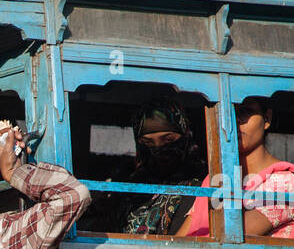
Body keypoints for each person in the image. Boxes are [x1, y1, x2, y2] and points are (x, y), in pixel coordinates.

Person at [175, 96, 294, 239]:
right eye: (227, 114)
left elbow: (227, 237)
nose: (235, 121)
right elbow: (179, 242)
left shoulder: (285, 183)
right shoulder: (216, 179)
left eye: (245, 111)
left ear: (267, 119)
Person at [78, 98, 205, 235]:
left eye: (168, 140)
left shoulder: (199, 188)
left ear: (185, 138)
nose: (158, 149)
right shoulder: (128, 188)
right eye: (147, 142)